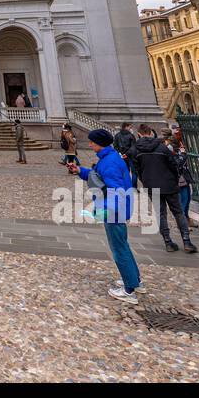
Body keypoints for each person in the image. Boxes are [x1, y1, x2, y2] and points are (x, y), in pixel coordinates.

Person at [67, 129, 141, 304]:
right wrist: (80, 170)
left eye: (92, 142)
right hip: (118, 209)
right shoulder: (110, 158)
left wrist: (105, 211)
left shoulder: (109, 162)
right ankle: (134, 280)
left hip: (114, 211)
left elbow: (115, 190)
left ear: (99, 143)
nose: (90, 144)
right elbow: (98, 178)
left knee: (119, 249)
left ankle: (129, 291)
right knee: (123, 245)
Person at [132, 125, 198, 254]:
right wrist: (174, 179)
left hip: (152, 185)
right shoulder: (162, 147)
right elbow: (174, 164)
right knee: (178, 212)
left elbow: (136, 170)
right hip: (169, 184)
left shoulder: (135, 150)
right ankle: (186, 241)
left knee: (161, 214)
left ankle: (168, 242)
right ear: (151, 133)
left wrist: (146, 181)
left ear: (139, 134)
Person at [165, 128, 196, 228]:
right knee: (182, 200)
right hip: (178, 178)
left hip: (184, 177)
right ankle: (182, 223)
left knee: (187, 199)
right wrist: (183, 154)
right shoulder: (171, 149)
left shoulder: (178, 148)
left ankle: (186, 218)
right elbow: (177, 164)